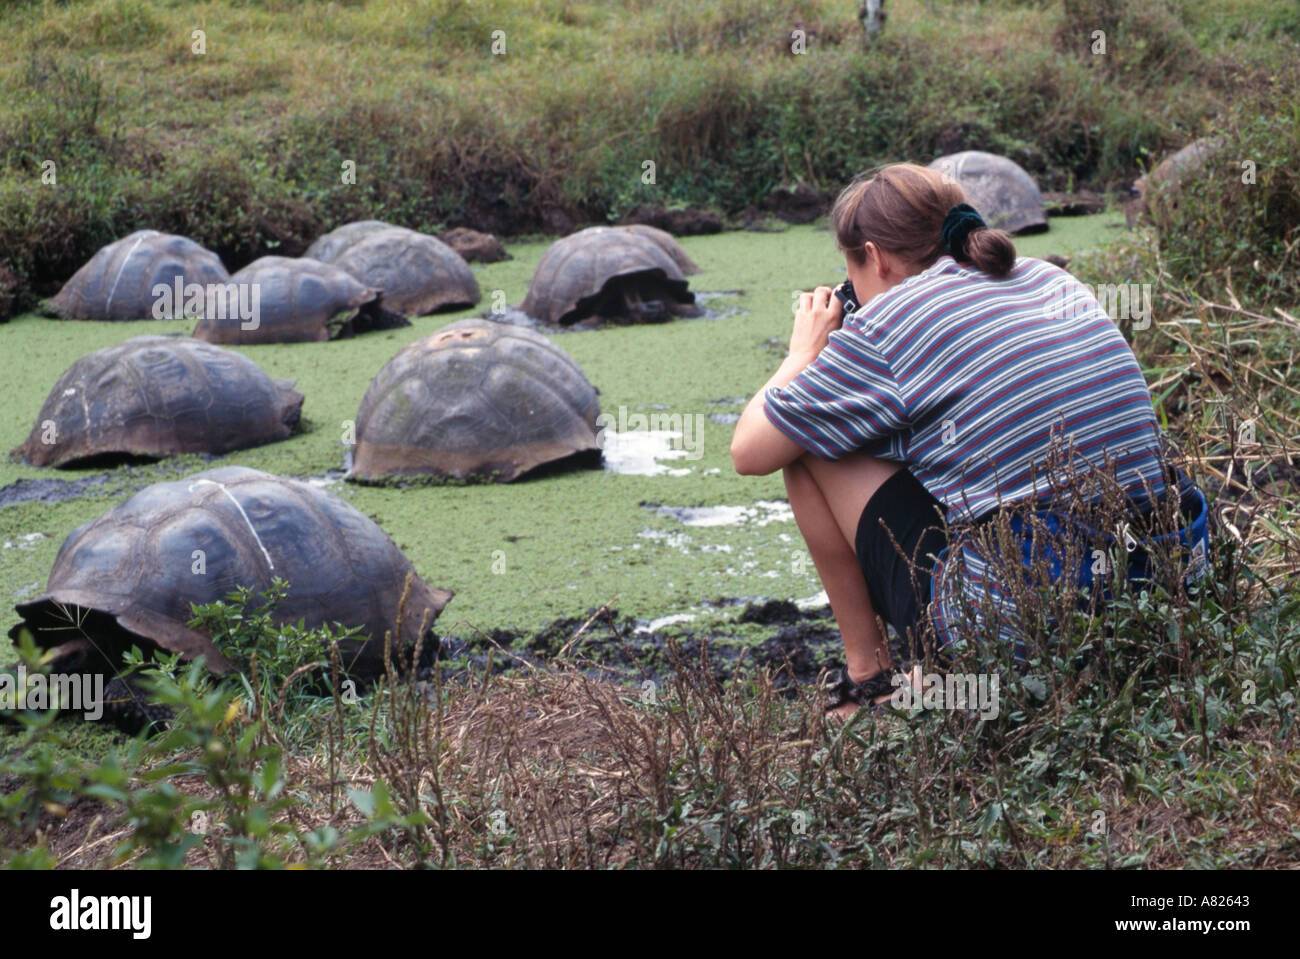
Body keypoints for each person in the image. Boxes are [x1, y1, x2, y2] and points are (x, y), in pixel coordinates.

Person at [730, 162, 1206, 719]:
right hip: (1170, 590)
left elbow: (750, 450)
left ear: (875, 257)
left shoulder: (889, 323)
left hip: (1036, 627)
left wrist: (803, 354)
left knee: (807, 442)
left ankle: (871, 683)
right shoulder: (1050, 277)